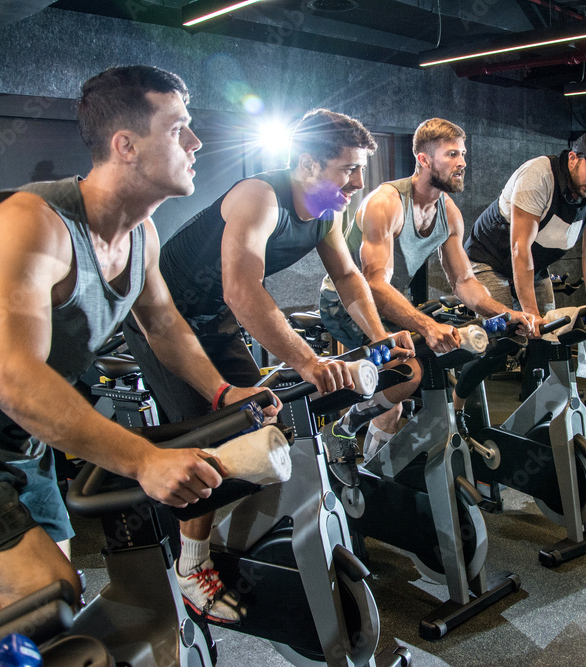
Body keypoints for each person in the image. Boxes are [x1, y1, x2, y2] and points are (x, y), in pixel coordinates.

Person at [0, 66, 277, 633]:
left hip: (24, 442)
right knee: (49, 600)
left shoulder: (142, 236)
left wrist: (224, 391)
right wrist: (143, 460)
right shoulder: (32, 224)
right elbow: (13, 379)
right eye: (179, 128)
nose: (197, 142)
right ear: (125, 145)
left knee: (59, 601)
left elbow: (164, 326)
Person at [123, 108, 416, 623]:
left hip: (214, 320)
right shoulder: (259, 196)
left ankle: (245, 530)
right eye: (348, 168)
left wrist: (381, 337)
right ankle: (191, 567)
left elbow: (350, 279)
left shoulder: (327, 210)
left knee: (261, 424)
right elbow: (242, 289)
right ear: (306, 164)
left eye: (361, 170)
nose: (358, 182)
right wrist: (307, 360)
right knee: (212, 435)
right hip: (163, 319)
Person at [319, 118, 536, 453]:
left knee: (414, 385)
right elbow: (374, 283)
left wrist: (505, 312)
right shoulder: (386, 203)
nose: (462, 161)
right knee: (407, 373)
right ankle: (346, 426)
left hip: (389, 300)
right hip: (344, 301)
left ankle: (380, 473)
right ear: (423, 159)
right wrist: (426, 325)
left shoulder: (448, 213)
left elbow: (464, 281)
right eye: (451, 154)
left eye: (462, 153)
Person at [463, 131, 586, 396]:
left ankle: (534, 410)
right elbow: (519, 248)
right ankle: (460, 399)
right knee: (506, 339)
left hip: (535, 264)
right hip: (489, 258)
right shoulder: (539, 176)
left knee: (549, 337)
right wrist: (530, 314)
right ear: (572, 158)